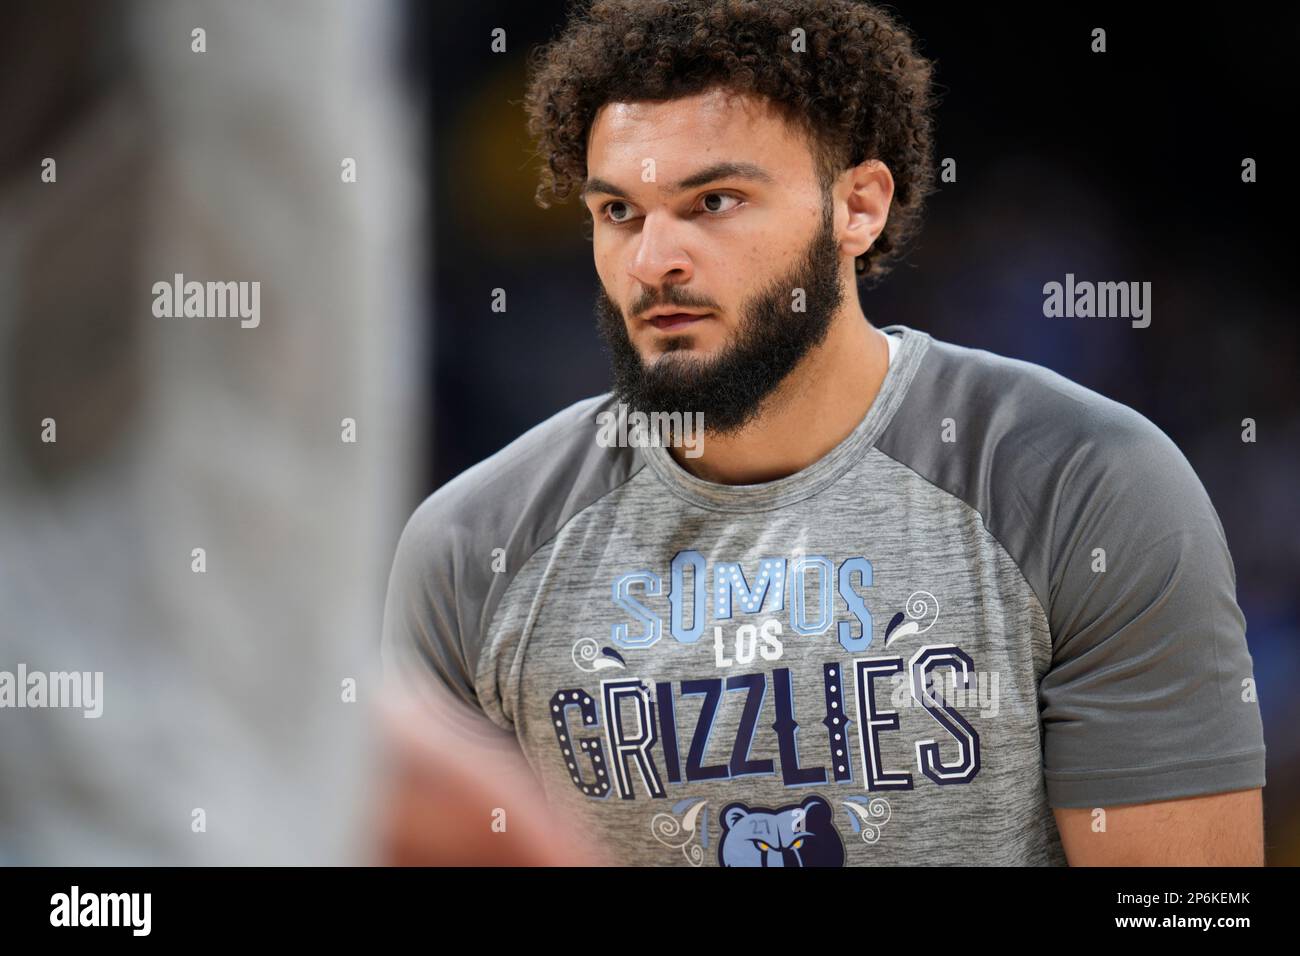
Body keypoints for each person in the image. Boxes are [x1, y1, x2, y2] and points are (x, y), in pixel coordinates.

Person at [382, 0, 1265, 866]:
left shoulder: (1081, 484)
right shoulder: (475, 547)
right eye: (619, 212)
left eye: (715, 200)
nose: (654, 260)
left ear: (859, 207)